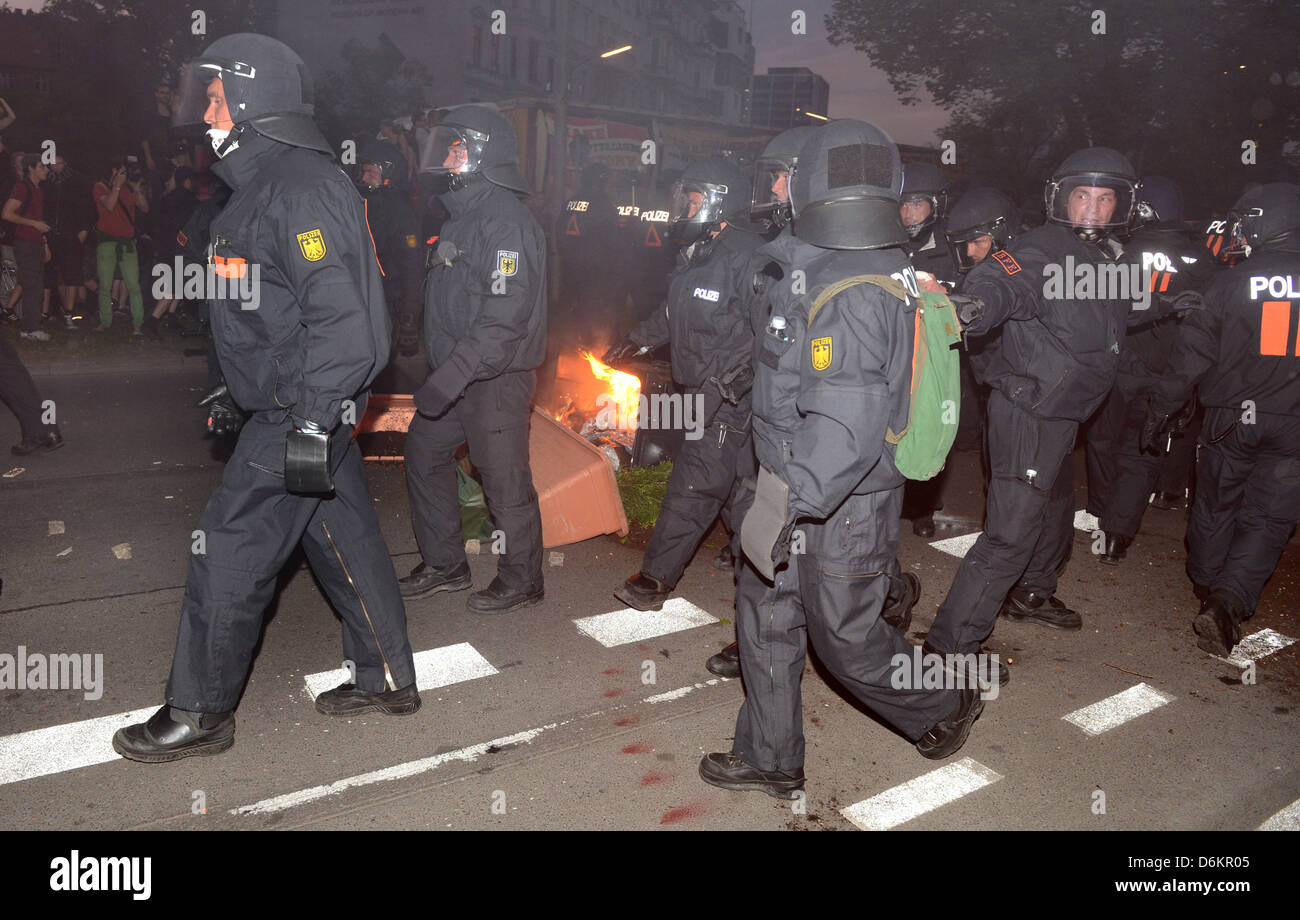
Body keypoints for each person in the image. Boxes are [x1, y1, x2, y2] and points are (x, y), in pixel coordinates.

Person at [112, 33, 420, 764]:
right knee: (344, 538)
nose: (206, 112)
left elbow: (351, 330)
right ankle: (384, 679)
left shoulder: (302, 185)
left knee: (228, 550)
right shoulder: (258, 184)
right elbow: (259, 305)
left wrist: (310, 419)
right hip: (295, 402)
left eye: (216, 98)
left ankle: (200, 710)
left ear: (252, 101)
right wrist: (229, 384)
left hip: (301, 409)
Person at [699, 120, 985, 800]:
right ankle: (771, 756)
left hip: (840, 499)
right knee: (766, 617)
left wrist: (784, 502)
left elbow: (846, 429)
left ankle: (943, 703)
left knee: (847, 638)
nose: (771, 189)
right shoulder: (824, 262)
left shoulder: (854, 284)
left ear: (813, 185)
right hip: (794, 478)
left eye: (780, 177)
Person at [923, 147, 1162, 681]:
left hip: (1064, 416)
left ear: (1122, 204)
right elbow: (1003, 283)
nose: (1094, 208)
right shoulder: (1038, 250)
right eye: (1083, 196)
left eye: (1106, 198)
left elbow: (1122, 306)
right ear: (1061, 199)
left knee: (1051, 512)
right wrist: (972, 307)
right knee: (1008, 534)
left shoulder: (1106, 259)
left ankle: (1031, 594)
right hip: (1030, 413)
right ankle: (948, 649)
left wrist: (1179, 302)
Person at [1142, 182, 1300, 656]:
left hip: (1233, 416)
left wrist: (1161, 410)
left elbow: (1190, 358)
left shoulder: (1229, 282)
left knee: (1215, 504)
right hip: (1294, 423)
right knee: (1270, 518)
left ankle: (1209, 586)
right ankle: (1229, 599)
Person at [401, 105, 548, 613]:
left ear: (482, 155)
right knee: (423, 450)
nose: (444, 156)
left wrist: (450, 377)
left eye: (455, 148)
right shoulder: (461, 216)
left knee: (502, 476)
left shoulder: (506, 223)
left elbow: (503, 316)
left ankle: (523, 579)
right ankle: (445, 564)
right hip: (457, 374)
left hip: (495, 378)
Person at [604, 156, 766, 612]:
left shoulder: (748, 259)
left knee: (694, 484)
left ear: (720, 206)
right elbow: (675, 313)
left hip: (730, 399)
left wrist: (724, 389)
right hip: (702, 392)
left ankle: (655, 579)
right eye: (687, 201)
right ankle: (879, 590)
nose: (686, 209)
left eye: (694, 202)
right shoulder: (699, 255)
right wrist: (636, 341)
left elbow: (766, 336)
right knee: (738, 491)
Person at [1084, 176, 1214, 564]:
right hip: (1169, 373)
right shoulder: (1203, 259)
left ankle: (1103, 512)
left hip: (1123, 364)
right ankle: (1116, 533)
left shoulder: (1133, 250)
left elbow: (1107, 308)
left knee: (1104, 440)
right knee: (1143, 451)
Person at [355, 140, 424, 359]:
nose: (365, 178)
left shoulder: (400, 211)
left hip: (389, 302)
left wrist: (409, 319)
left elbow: (412, 265)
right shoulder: (364, 202)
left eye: (371, 172)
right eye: (364, 172)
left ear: (389, 174)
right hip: (366, 299)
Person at [92, 157, 149, 334]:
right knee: (105, 285)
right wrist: (117, 185)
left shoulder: (127, 189)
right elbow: (109, 205)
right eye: (122, 171)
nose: (126, 175)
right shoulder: (99, 187)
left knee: (133, 284)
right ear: (113, 171)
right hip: (107, 242)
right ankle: (105, 321)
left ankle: (138, 325)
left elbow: (145, 208)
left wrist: (138, 191)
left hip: (127, 243)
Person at [143, 164, 199, 337]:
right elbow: (193, 227)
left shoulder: (167, 199)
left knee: (178, 283)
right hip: (181, 247)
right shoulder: (192, 201)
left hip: (165, 246)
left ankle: (171, 316)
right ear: (189, 181)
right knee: (175, 285)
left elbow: (156, 221)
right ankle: (152, 320)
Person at [2, 154, 52, 341]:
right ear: (30, 168)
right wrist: (33, 224)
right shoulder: (22, 188)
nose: (46, 170)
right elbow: (7, 213)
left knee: (35, 285)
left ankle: (28, 328)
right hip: (25, 243)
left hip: (36, 243)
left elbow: (38, 222)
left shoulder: (37, 190)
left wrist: (45, 244)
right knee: (33, 287)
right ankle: (31, 328)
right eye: (42, 166)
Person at [46, 153, 96, 329]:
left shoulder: (77, 181)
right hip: (52, 235)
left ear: (65, 162)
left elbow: (87, 208)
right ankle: (62, 309)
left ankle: (70, 312)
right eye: (52, 164)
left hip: (71, 234)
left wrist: (83, 231)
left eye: (58, 163)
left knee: (73, 275)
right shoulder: (47, 182)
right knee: (58, 275)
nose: (55, 167)